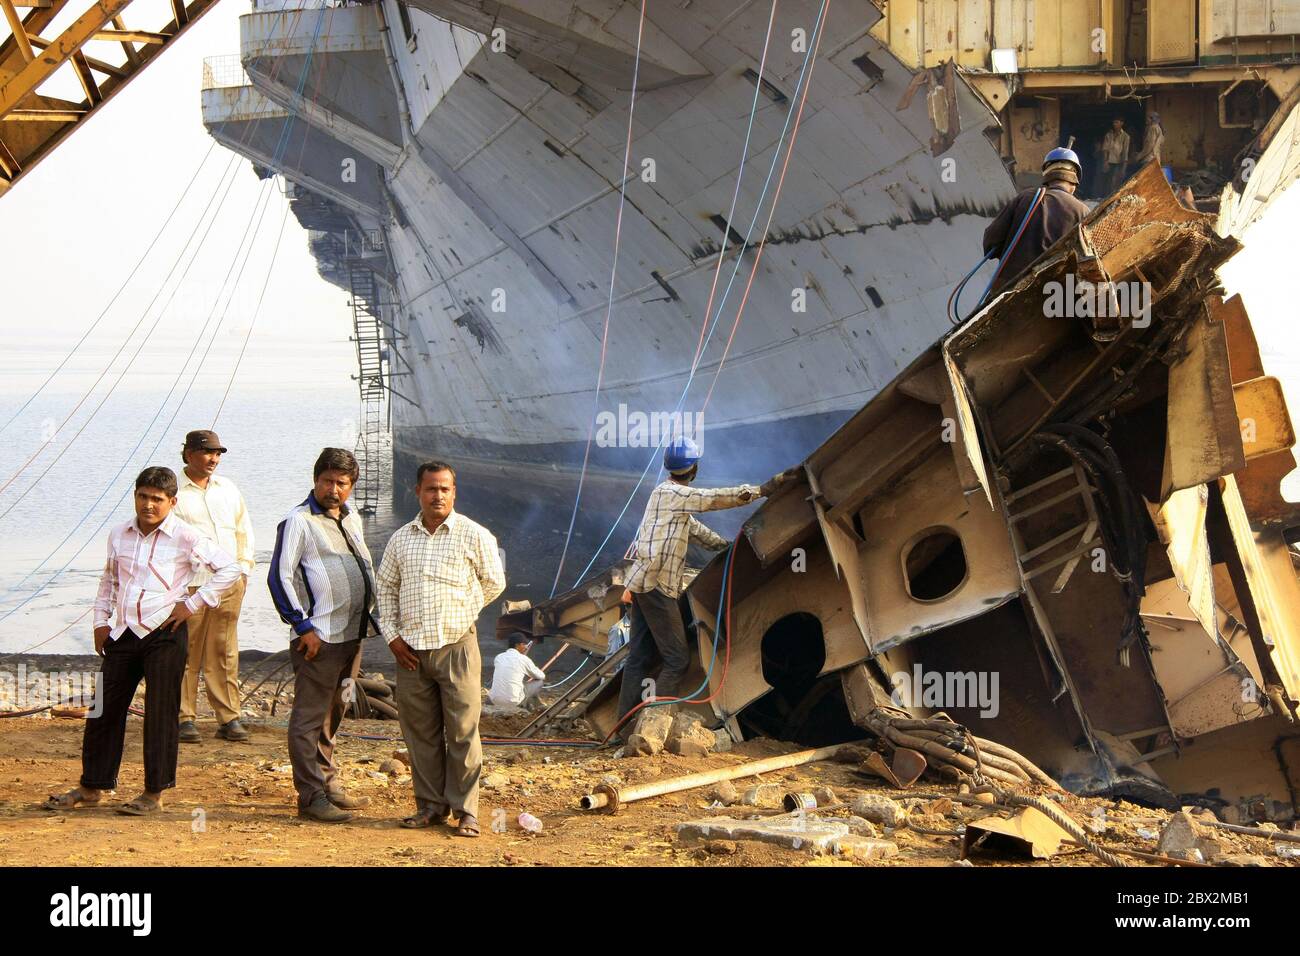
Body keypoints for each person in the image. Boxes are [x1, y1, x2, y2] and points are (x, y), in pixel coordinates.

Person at [43, 466, 240, 816]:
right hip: (123, 631)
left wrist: (193, 603)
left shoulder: (186, 536)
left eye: (157, 499)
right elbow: (109, 580)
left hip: (165, 631)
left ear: (172, 502)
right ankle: (92, 786)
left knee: (161, 712)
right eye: (143, 497)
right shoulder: (119, 533)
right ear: (135, 496)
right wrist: (100, 621)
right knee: (103, 707)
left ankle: (154, 792)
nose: (149, 505)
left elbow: (230, 569)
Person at [614, 437, 797, 729]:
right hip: (657, 586)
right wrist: (762, 490)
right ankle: (652, 727)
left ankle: (622, 727)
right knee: (677, 660)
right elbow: (712, 499)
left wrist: (726, 547)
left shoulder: (666, 496)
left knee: (639, 656)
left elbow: (695, 530)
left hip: (643, 584)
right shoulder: (675, 494)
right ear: (694, 468)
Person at [376, 461, 505, 838]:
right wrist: (392, 637)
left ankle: (467, 811)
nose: (438, 495)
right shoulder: (401, 539)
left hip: (457, 647)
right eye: (431, 488)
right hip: (410, 653)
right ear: (417, 491)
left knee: (463, 732)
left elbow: (494, 582)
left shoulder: (473, 534)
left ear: (454, 492)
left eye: (445, 489)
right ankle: (430, 807)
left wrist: (462, 612)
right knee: (421, 734)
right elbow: (386, 589)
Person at [268, 448, 380, 823]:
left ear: (351, 486)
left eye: (342, 483)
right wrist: (302, 626)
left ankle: (328, 783)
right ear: (316, 480)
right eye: (327, 481)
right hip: (320, 639)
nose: (334, 489)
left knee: (335, 712)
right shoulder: (298, 521)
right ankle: (311, 796)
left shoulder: (350, 518)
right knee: (308, 719)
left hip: (352, 636)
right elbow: (279, 577)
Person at [173, 429, 255, 744]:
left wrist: (244, 569)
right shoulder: (174, 491)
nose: (214, 459)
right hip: (191, 586)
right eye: (208, 452)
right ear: (188, 454)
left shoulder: (228, 489)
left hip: (228, 584)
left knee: (224, 651)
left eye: (218, 453)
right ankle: (183, 717)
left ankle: (229, 717)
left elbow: (243, 530)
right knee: (185, 651)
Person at [981, 146, 1091, 295]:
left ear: (1047, 176)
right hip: (1051, 294)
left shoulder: (1025, 198)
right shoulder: (1082, 211)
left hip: (1007, 288)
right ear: (1074, 181)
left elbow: (991, 241)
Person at [488, 635, 546, 712]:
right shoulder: (523, 659)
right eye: (524, 644)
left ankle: (528, 704)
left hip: (494, 700)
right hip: (513, 701)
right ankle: (523, 704)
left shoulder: (498, 657)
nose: (526, 647)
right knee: (539, 682)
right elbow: (541, 676)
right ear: (517, 645)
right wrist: (535, 668)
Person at [1099, 118, 1131, 196]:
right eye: (1113, 122)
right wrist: (1105, 161)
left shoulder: (1126, 136)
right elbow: (1105, 149)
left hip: (1118, 162)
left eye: (1116, 122)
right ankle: (1105, 198)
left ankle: (1112, 197)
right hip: (1108, 161)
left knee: (1115, 182)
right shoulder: (1109, 135)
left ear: (1121, 123)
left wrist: (1124, 166)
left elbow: (1125, 152)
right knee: (1106, 181)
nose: (1114, 124)